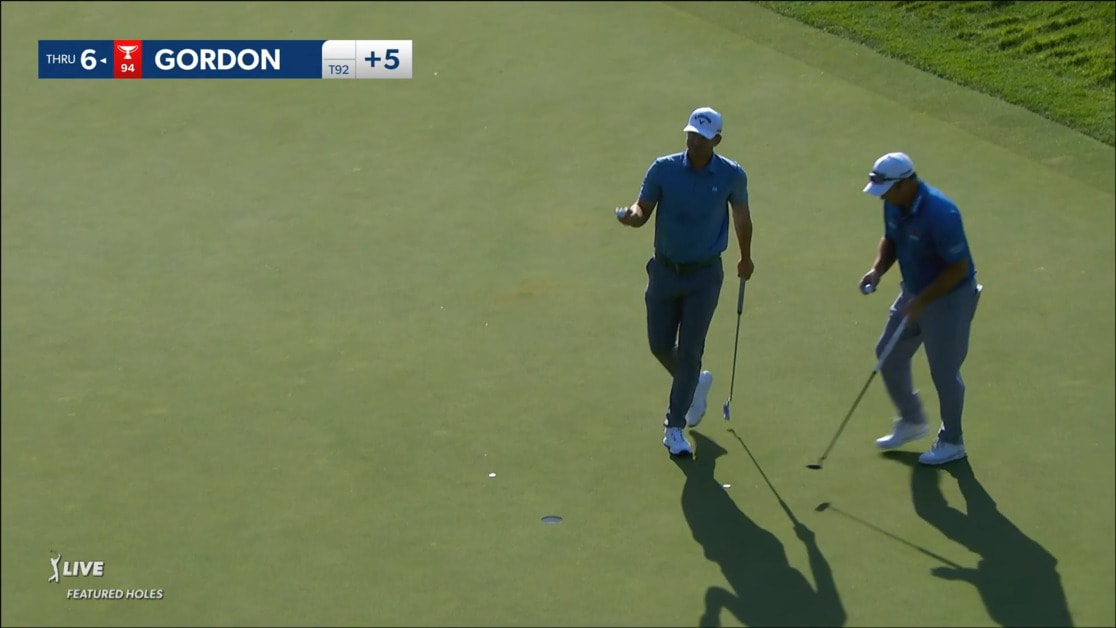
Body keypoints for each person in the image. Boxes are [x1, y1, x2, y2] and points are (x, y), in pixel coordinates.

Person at [616, 107, 754, 457]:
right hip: (664, 271)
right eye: (690, 134)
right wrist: (631, 217)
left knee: (691, 349)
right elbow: (642, 209)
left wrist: (745, 256)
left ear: (716, 140)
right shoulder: (663, 168)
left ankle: (674, 426)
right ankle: (694, 384)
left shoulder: (731, 175)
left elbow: (742, 219)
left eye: (702, 137)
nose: (693, 141)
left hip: (705, 276)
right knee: (660, 344)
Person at [859, 151, 982, 465]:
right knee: (888, 352)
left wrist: (923, 301)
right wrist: (877, 270)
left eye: (885, 190)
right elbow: (891, 240)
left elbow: (957, 268)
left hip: (950, 299)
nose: (881, 197)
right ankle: (912, 420)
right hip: (914, 293)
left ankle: (953, 441)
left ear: (905, 184)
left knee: (944, 372)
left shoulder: (941, 213)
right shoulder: (894, 203)